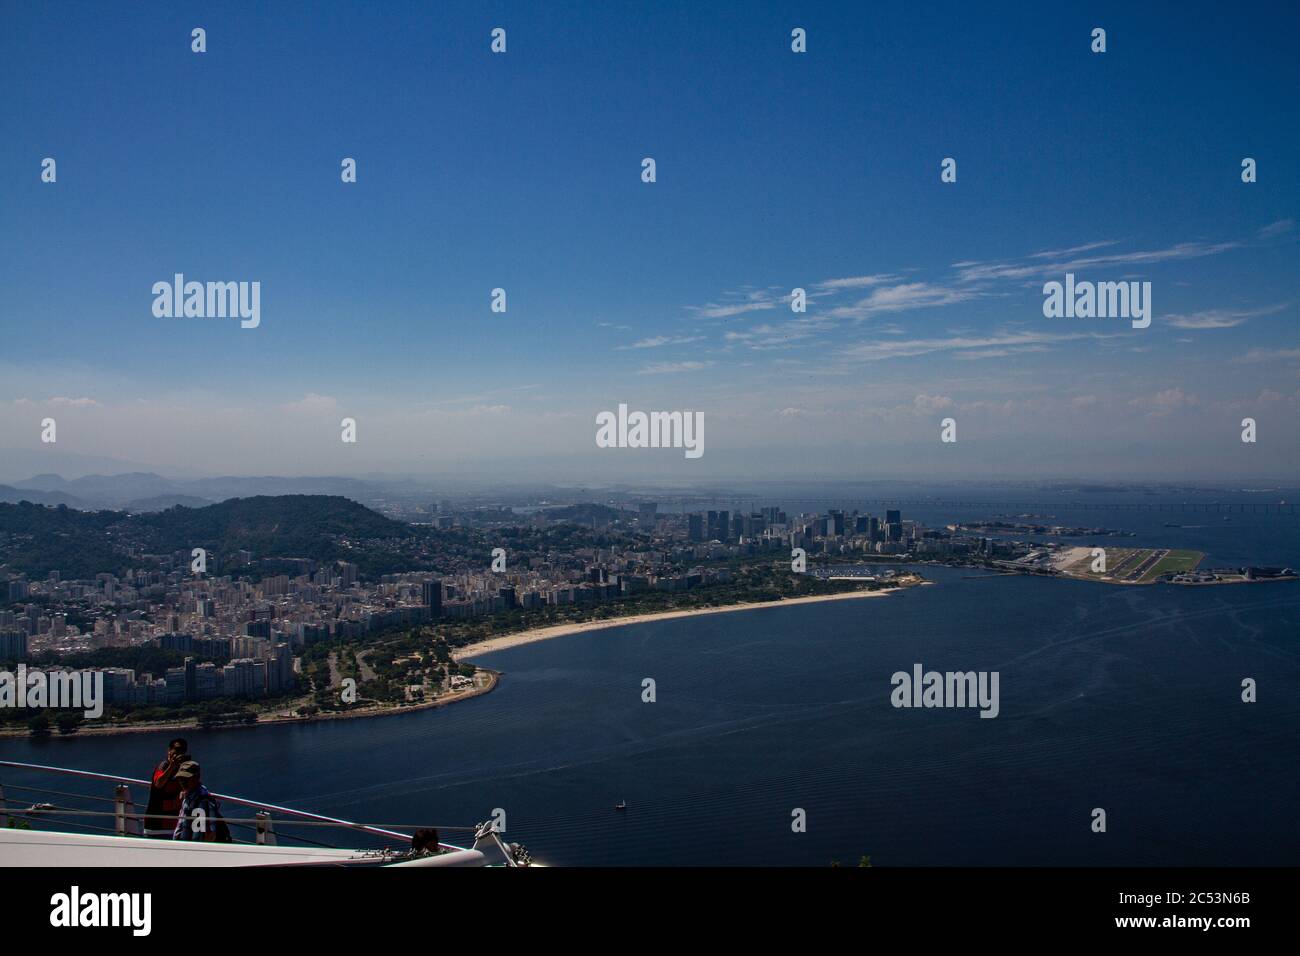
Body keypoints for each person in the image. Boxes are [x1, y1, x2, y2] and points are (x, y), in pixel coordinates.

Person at [171, 760, 230, 843]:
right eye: (180, 779)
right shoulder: (188, 797)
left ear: (196, 777)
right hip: (183, 849)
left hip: (191, 851)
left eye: (186, 778)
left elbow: (209, 835)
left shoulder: (202, 802)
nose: (182, 782)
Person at [143, 737, 188, 837]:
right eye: (177, 750)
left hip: (174, 823)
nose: (179, 753)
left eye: (182, 751)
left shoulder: (183, 768)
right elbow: (158, 783)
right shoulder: (163, 766)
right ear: (169, 751)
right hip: (156, 824)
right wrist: (171, 766)